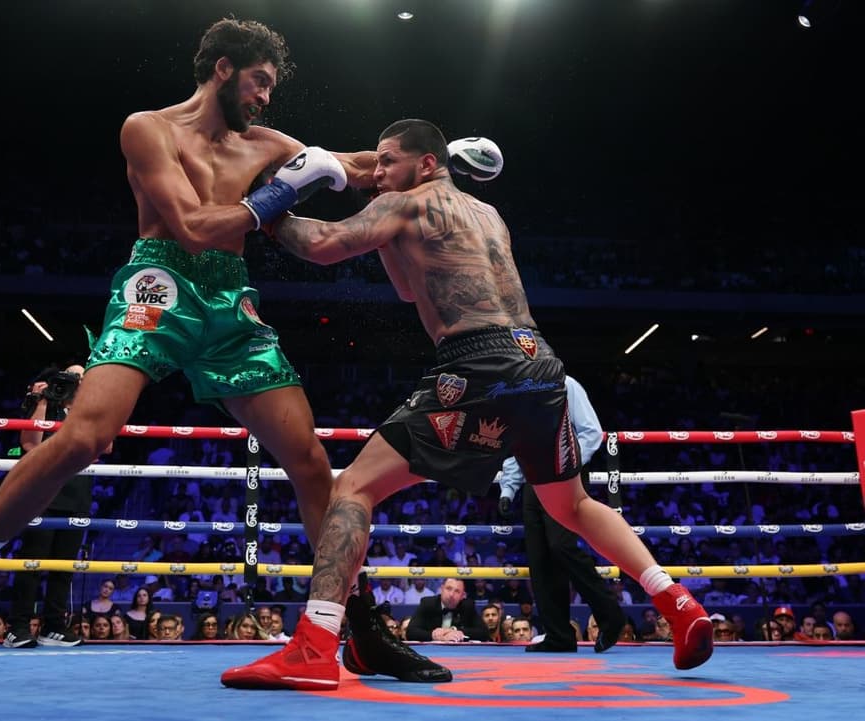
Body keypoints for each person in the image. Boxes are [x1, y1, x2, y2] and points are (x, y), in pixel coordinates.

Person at [0, 17, 424, 682]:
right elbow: (192, 227)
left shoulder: (270, 143)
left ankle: (358, 625)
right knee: (84, 437)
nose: (265, 97)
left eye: (271, 88)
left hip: (231, 301)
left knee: (312, 463)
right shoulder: (148, 128)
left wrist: (434, 165)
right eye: (259, 81)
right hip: (158, 283)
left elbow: (370, 168)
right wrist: (284, 188)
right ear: (223, 68)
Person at [220, 119, 713, 690]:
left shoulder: (408, 203)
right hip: (539, 360)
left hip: (476, 364)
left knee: (352, 487)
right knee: (571, 505)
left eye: (386, 161)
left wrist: (268, 207)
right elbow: (410, 288)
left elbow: (324, 245)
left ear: (426, 164)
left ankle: (313, 645)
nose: (375, 173)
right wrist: (380, 221)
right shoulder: (486, 213)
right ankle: (677, 603)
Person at [497, 374, 628, 653]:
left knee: (561, 545)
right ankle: (558, 635)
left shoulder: (565, 384)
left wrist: (567, 464)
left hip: (566, 473)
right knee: (540, 557)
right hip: (534, 476)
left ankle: (611, 615)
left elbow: (591, 431)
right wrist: (508, 489)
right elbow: (515, 444)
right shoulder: (513, 390)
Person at [3, 364, 93, 649]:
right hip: (44, 495)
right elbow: (30, 444)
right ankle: (17, 627)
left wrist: (92, 403)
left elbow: (106, 447)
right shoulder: (46, 407)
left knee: (64, 568)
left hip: (77, 496)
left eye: (81, 378)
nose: (76, 383)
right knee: (32, 564)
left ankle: (54, 627)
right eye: (71, 378)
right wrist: (43, 400)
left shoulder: (87, 412)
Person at [405, 577, 489, 642]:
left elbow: (484, 633)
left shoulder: (467, 606)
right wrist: (433, 635)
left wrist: (457, 631)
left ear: (463, 596)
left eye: (457, 591)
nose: (451, 594)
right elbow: (411, 632)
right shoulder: (427, 603)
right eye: (448, 589)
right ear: (441, 589)